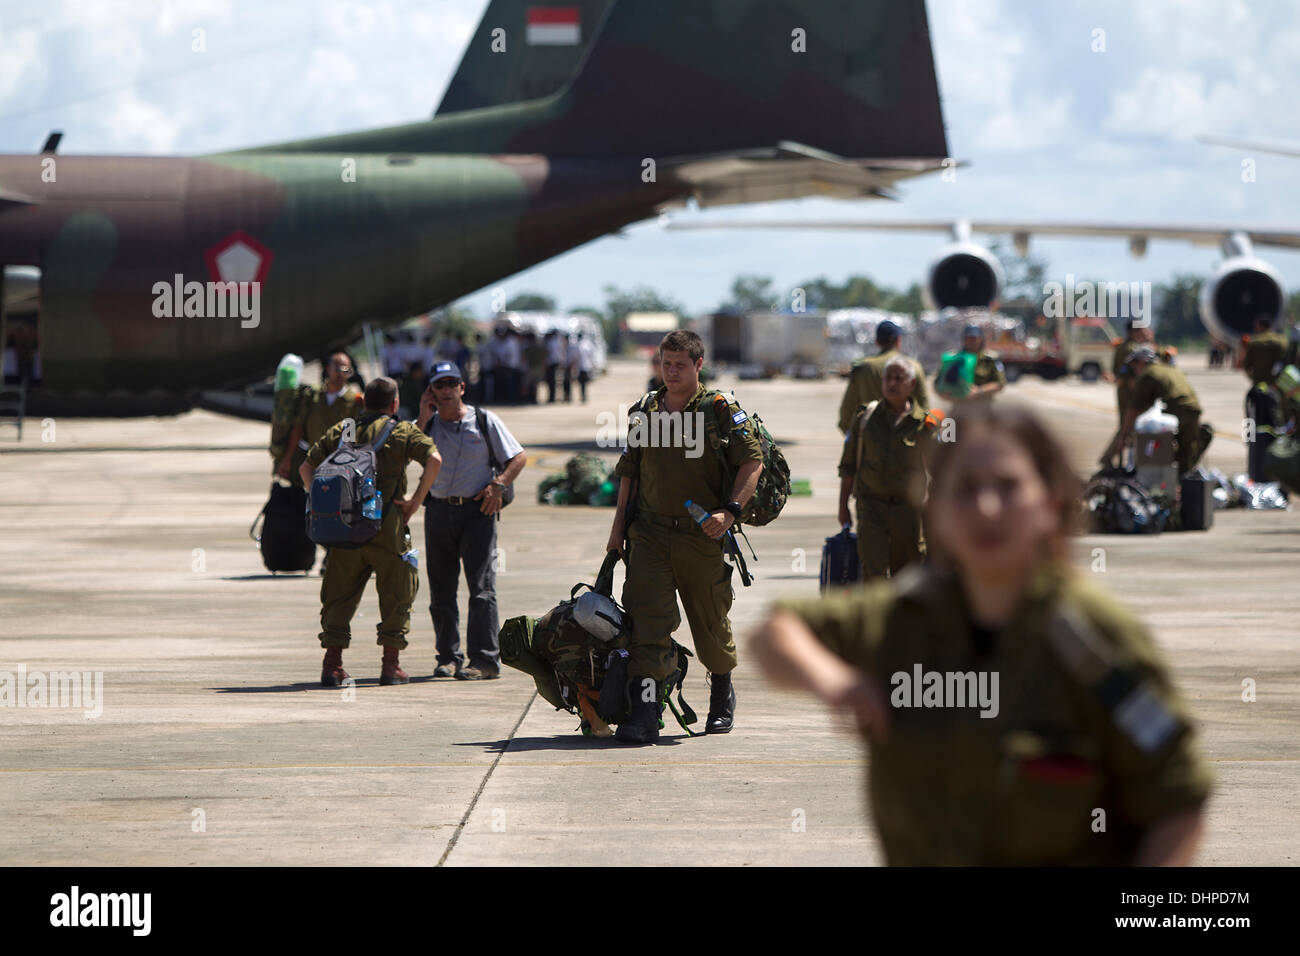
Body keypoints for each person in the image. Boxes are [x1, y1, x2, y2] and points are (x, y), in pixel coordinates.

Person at [751, 402, 1212, 865]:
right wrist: (836, 682)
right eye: (966, 489)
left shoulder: (1094, 641)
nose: (986, 508)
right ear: (935, 508)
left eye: (1009, 487)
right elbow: (775, 632)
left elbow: (1177, 798)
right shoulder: (901, 620)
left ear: (1051, 501)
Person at [605, 330, 763, 743]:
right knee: (648, 624)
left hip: (700, 535)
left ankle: (721, 693)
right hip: (650, 534)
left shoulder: (719, 409)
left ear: (698, 365)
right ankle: (643, 711)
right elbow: (630, 472)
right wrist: (617, 527)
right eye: (665, 363)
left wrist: (729, 512)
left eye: (679, 365)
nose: (670, 372)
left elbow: (752, 462)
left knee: (710, 623)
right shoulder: (646, 410)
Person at [301, 377, 441, 686]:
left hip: (344, 527)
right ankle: (390, 666)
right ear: (394, 405)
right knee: (397, 591)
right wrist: (416, 502)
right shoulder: (402, 430)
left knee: (338, 595)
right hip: (386, 524)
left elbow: (305, 467)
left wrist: (324, 504)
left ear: (364, 402)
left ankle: (332, 664)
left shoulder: (346, 429)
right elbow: (434, 459)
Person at [417, 361, 527, 680]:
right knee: (441, 588)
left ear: (462, 388)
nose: (447, 391)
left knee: (481, 588)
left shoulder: (483, 420)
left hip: (477, 511)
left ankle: (484, 660)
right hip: (438, 510)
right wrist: (424, 416)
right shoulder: (427, 426)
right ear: (432, 392)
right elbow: (407, 453)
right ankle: (449, 656)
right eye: (440, 385)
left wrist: (499, 484)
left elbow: (518, 457)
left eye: (453, 384)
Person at [839, 356, 942, 581]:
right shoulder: (865, 418)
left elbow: (940, 471)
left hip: (908, 512)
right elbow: (847, 465)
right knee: (873, 572)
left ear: (911, 384)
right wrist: (843, 506)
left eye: (898, 378)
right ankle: (876, 616)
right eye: (888, 378)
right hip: (871, 508)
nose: (892, 383)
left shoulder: (924, 424)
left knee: (907, 577)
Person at [1101, 345, 1207, 476]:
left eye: (1135, 364)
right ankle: (1182, 487)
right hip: (1194, 411)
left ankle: (1159, 485)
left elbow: (1134, 408)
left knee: (1155, 450)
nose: (1134, 368)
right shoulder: (1171, 369)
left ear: (1142, 362)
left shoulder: (1148, 374)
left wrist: (1124, 435)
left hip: (1174, 412)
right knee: (1186, 454)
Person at [277, 351, 364, 486]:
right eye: (337, 368)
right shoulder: (313, 397)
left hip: (340, 466)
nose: (341, 373)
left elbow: (354, 438)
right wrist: (287, 458)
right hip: (313, 463)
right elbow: (298, 427)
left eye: (345, 369)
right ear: (328, 369)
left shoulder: (354, 401)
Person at [837, 320, 929, 433]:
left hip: (871, 438)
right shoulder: (914, 367)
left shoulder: (864, 368)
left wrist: (856, 440)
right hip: (908, 440)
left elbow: (847, 412)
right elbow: (925, 409)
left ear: (877, 342)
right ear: (899, 340)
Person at [1111, 320, 1154, 425]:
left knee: (1125, 422)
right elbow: (1132, 373)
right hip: (1130, 391)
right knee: (1131, 423)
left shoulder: (1123, 346)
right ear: (1135, 332)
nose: (1146, 332)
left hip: (1123, 390)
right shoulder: (1132, 349)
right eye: (1144, 330)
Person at [949, 323, 1006, 400]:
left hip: (984, 402)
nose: (971, 342)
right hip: (959, 402)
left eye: (974, 338)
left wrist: (979, 390)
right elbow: (941, 383)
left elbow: (1000, 383)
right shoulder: (955, 358)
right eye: (968, 338)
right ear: (964, 340)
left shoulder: (990, 358)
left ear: (981, 339)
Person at [571, 332, 595, 403]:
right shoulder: (587, 345)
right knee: (584, 383)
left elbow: (575, 357)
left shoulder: (577, 346)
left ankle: (583, 396)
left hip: (581, 367)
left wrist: (574, 367)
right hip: (586, 366)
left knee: (582, 383)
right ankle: (584, 396)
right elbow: (591, 355)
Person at [544, 330, 566, 403]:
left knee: (551, 381)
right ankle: (558, 397)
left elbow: (548, 352)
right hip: (558, 362)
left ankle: (552, 397)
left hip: (552, 362)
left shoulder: (551, 342)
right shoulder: (559, 341)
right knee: (557, 381)